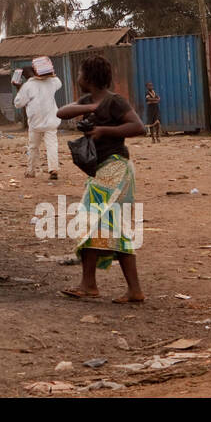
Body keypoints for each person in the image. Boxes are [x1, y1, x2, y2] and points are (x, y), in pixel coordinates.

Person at [56, 55, 146, 303]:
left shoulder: (116, 101)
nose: (77, 78)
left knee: (90, 220)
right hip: (103, 170)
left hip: (116, 168)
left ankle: (89, 284)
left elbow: (139, 127)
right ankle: (132, 290)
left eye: (80, 74)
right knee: (111, 228)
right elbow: (61, 112)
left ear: (88, 78)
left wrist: (104, 130)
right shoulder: (89, 102)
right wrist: (91, 108)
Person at [15, 56, 63, 179]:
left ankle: (31, 171)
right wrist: (52, 74)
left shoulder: (28, 86)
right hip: (52, 121)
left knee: (33, 147)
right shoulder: (52, 82)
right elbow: (59, 83)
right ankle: (53, 169)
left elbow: (18, 103)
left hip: (35, 123)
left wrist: (18, 88)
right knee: (52, 145)